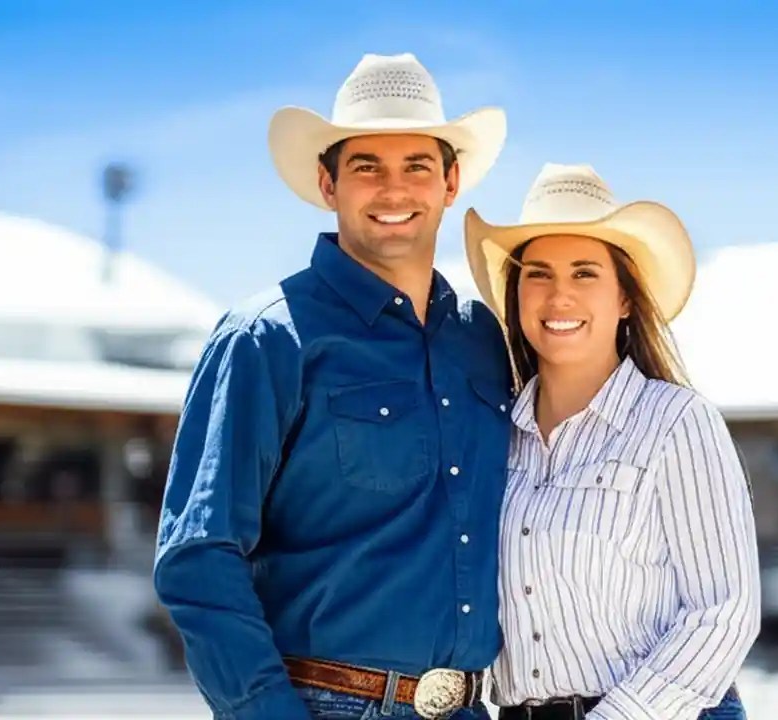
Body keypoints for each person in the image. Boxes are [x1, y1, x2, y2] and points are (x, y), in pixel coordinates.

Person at [153, 53, 512, 720]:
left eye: (417, 166)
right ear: (328, 183)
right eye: (367, 167)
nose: (394, 190)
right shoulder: (267, 338)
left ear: (451, 182)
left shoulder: (483, 340)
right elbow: (198, 555)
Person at [463, 163, 762, 720]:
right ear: (516, 295)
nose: (559, 296)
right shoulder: (493, 441)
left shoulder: (676, 423)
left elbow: (724, 612)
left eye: (584, 274)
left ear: (624, 298)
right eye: (538, 275)